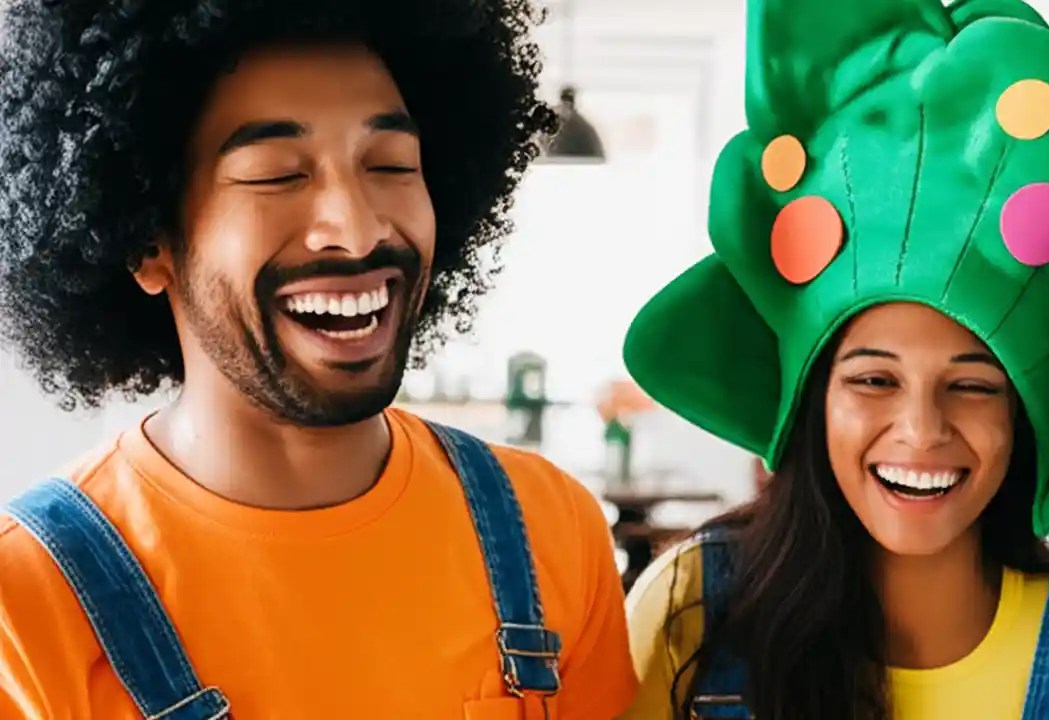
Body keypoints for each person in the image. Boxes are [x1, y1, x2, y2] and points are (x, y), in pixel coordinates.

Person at [0, 1, 637, 717]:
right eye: (276, 174)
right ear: (149, 240)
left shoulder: (553, 529)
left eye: (391, 164)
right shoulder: (24, 606)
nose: (358, 228)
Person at [619, 0, 1049, 718]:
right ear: (815, 400)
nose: (921, 429)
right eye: (874, 379)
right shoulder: (688, 611)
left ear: (1024, 416)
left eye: (972, 385)